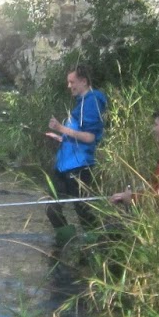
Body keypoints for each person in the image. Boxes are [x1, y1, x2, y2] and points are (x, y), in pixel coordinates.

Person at [44, 65, 108, 230]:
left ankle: (96, 245)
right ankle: (67, 241)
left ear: (84, 81)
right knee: (52, 209)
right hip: (64, 165)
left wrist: (61, 128)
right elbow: (77, 134)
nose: (69, 86)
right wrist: (60, 138)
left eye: (72, 82)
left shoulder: (92, 101)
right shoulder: (81, 103)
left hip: (79, 167)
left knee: (84, 213)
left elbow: (90, 137)